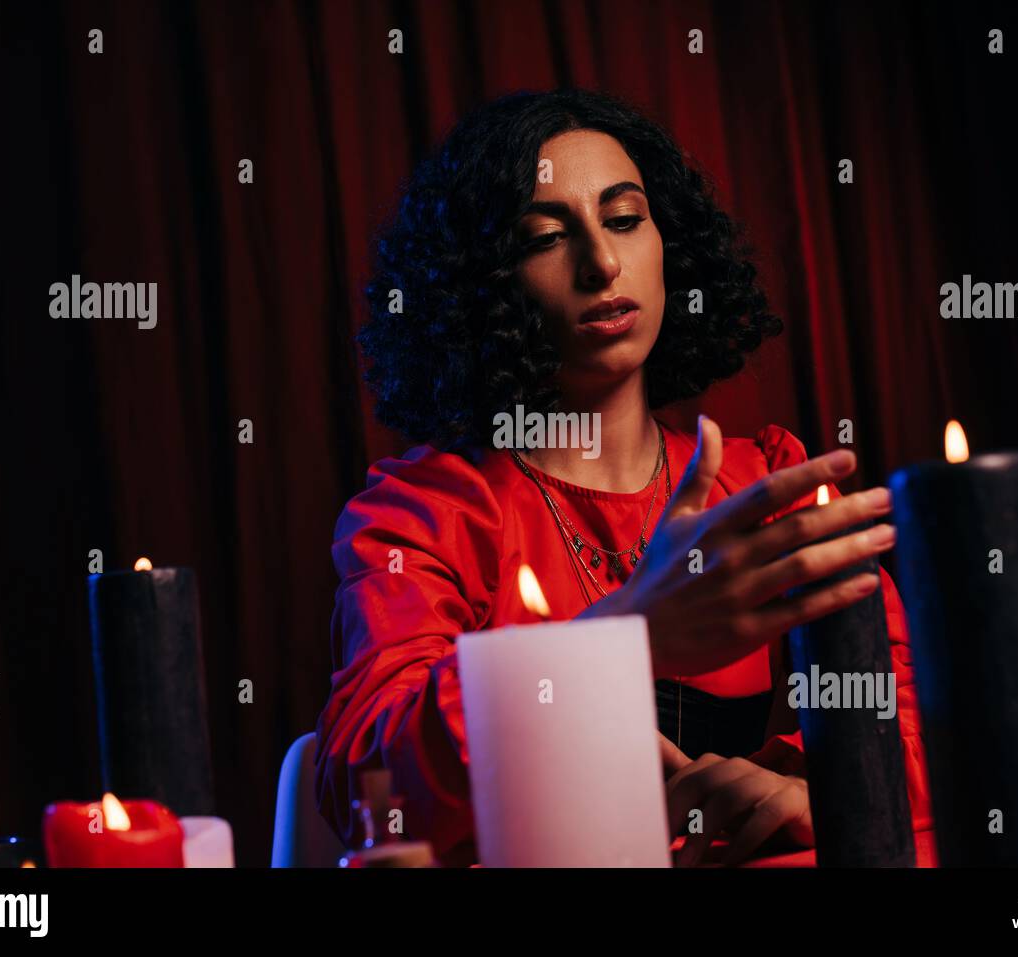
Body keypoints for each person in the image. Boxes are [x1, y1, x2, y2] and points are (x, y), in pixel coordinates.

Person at [316, 88, 931, 867]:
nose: (602, 262)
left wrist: (815, 785)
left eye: (624, 219)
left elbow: (916, 719)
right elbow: (371, 788)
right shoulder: (423, 516)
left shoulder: (766, 483)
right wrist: (616, 642)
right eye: (545, 236)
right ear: (484, 283)